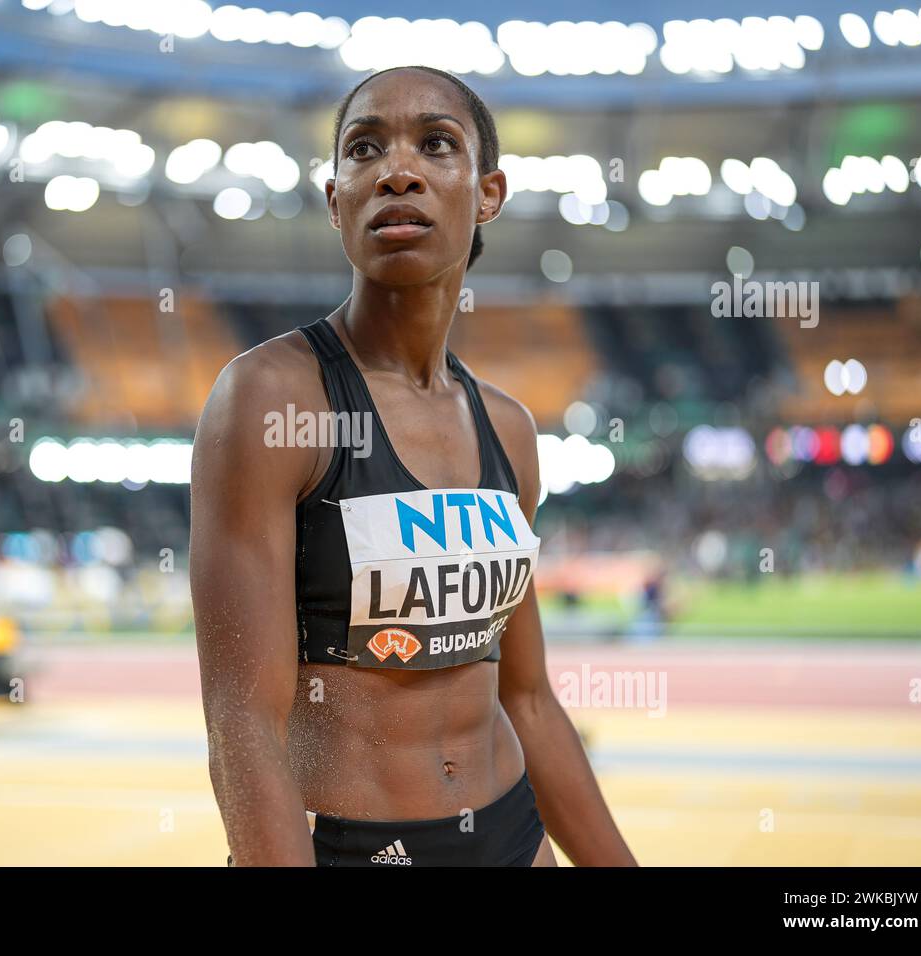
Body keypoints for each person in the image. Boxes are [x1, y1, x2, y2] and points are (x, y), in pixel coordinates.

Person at [191, 65, 636, 867]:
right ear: (337, 202)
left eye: (436, 143)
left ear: (489, 192)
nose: (397, 170)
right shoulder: (268, 400)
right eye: (365, 149)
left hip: (509, 833)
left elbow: (528, 701)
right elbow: (242, 726)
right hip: (347, 848)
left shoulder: (510, 430)